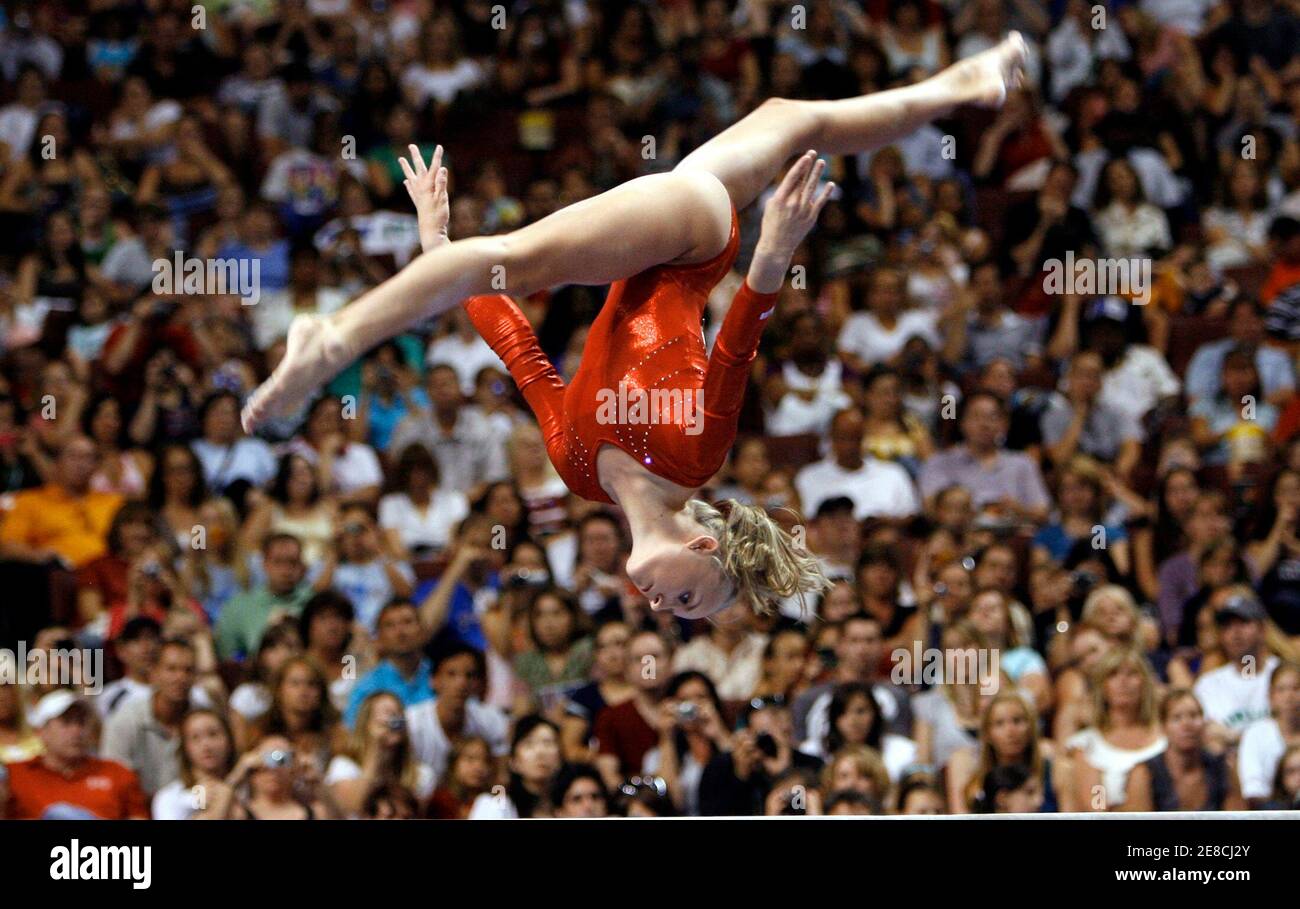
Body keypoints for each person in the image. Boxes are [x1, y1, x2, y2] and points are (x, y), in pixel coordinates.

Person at [242, 37, 1031, 620]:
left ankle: (961, 83)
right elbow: (736, 347)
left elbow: (520, 351)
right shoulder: (695, 456)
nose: (661, 605)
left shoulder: (578, 470)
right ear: (702, 547)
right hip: (693, 242)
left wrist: (436, 246)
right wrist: (777, 247)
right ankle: (334, 340)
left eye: (673, 611)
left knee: (797, 118)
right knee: (513, 258)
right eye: (687, 599)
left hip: (667, 225)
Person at [3, 691, 149, 819]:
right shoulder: (14, 776)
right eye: (66, 723)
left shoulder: (117, 773)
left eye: (81, 722)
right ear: (41, 732)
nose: (76, 731)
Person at [101, 638, 203, 797]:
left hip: (193, 808)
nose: (180, 677)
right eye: (171, 669)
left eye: (188, 670)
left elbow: (214, 778)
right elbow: (113, 780)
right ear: (154, 672)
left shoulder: (204, 721)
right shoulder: (126, 720)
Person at [1123, 689, 1244, 812]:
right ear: (1163, 727)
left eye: (1194, 716)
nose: (1187, 724)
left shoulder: (1223, 768)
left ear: (1204, 723)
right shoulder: (1144, 773)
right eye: (1176, 718)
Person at [404, 643, 508, 784]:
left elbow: (501, 777)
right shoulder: (412, 722)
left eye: (469, 675)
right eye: (451, 674)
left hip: (474, 799)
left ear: (477, 683)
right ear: (434, 681)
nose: (461, 683)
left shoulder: (491, 719)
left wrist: (498, 802)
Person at [215, 533, 311, 661]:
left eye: (292, 562)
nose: (286, 570)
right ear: (264, 564)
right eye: (278, 562)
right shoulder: (239, 606)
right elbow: (228, 657)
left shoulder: (315, 605)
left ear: (302, 566)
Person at [344, 600, 433, 728]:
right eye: (390, 625)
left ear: (423, 630)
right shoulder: (367, 686)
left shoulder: (443, 674)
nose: (400, 632)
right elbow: (352, 732)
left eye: (407, 622)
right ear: (379, 636)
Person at [1237, 661, 1300, 807]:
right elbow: (1253, 790)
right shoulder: (1256, 734)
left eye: (1296, 688)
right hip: (1272, 810)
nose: (1289, 696)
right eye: (1281, 689)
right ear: (1270, 696)